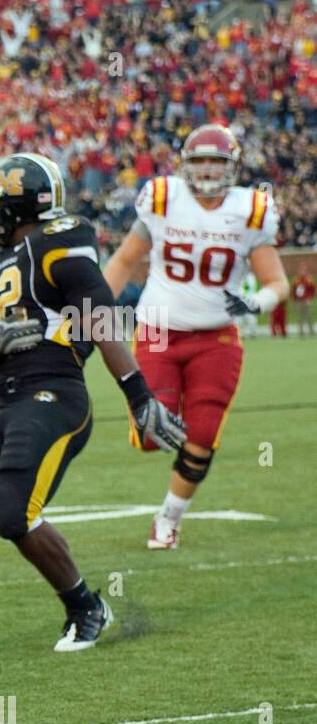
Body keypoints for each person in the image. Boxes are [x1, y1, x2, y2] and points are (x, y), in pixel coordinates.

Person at [0, 153, 186, 654]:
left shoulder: (61, 239)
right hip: (9, 404)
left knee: (12, 512)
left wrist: (138, 396)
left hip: (54, 397)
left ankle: (86, 606)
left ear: (10, 204)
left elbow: (97, 314)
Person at [103, 125, 288, 551]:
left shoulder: (251, 210)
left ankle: (169, 517)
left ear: (232, 166)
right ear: (186, 164)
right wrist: (90, 312)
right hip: (158, 332)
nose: (207, 169)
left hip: (216, 339)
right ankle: (167, 498)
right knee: (151, 435)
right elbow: (124, 260)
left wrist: (257, 301)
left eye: (216, 161)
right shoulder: (164, 199)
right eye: (200, 160)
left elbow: (276, 280)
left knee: (202, 433)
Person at [292, 270, 315, 336]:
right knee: (300, 317)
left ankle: (311, 332)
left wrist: (310, 298)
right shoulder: (297, 281)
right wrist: (294, 300)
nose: (302, 273)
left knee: (309, 316)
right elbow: (294, 291)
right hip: (299, 301)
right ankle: (301, 332)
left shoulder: (309, 280)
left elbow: (312, 290)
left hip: (307, 301)